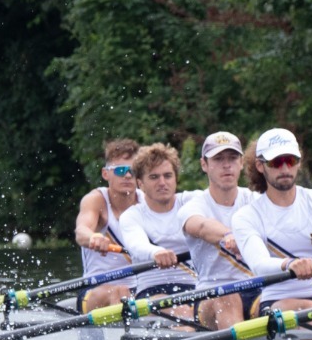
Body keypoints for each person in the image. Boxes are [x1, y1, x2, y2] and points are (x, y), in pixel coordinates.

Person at [231, 128, 312, 317]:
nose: (285, 169)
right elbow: (259, 264)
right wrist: (289, 264)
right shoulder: (246, 216)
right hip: (278, 300)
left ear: (299, 163)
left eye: (291, 161)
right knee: (307, 308)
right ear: (260, 165)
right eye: (276, 162)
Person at [74, 137, 173, 313]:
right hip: (96, 289)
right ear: (106, 174)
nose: (127, 176)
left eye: (132, 171)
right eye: (120, 170)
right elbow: (81, 232)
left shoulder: (148, 202)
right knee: (120, 291)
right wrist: (93, 237)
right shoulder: (96, 200)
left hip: (139, 289)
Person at [175, 132, 256, 329]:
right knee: (228, 298)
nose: (226, 165)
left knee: (288, 303)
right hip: (211, 294)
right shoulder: (193, 207)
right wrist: (229, 235)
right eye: (218, 159)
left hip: (256, 289)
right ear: (204, 164)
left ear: (241, 163)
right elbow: (201, 226)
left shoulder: (256, 201)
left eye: (232, 158)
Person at [120, 143, 205, 323]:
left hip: (196, 288)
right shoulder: (132, 216)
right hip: (152, 292)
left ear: (176, 179)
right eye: (154, 177)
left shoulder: (193, 201)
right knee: (184, 313)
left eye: (167, 176)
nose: (162, 183)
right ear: (140, 184)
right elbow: (136, 244)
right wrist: (156, 252)